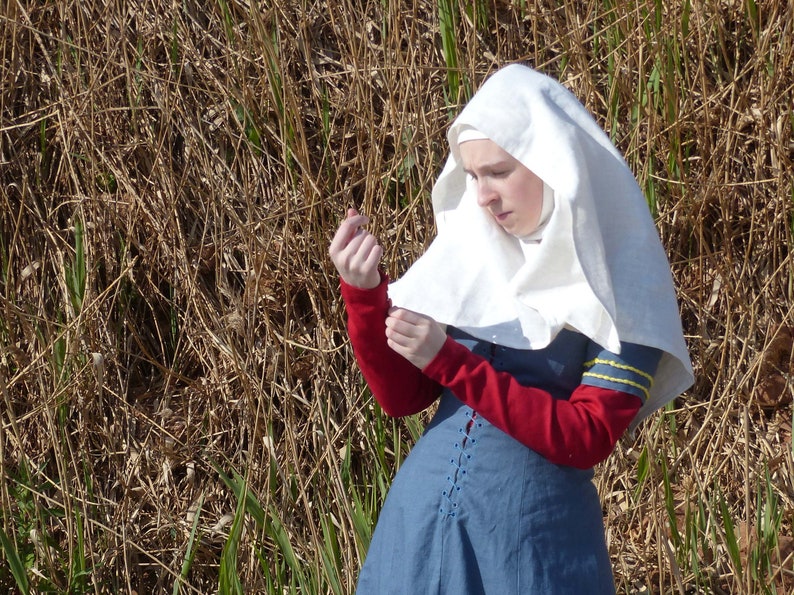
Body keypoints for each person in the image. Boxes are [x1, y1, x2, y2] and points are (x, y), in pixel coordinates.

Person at [329, 64, 693, 594]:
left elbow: (586, 436)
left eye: (498, 171)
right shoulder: (472, 259)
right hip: (417, 536)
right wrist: (364, 296)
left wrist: (450, 361)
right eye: (473, 175)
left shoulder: (622, 287)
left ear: (554, 163)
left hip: (529, 547)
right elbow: (402, 397)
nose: (482, 196)